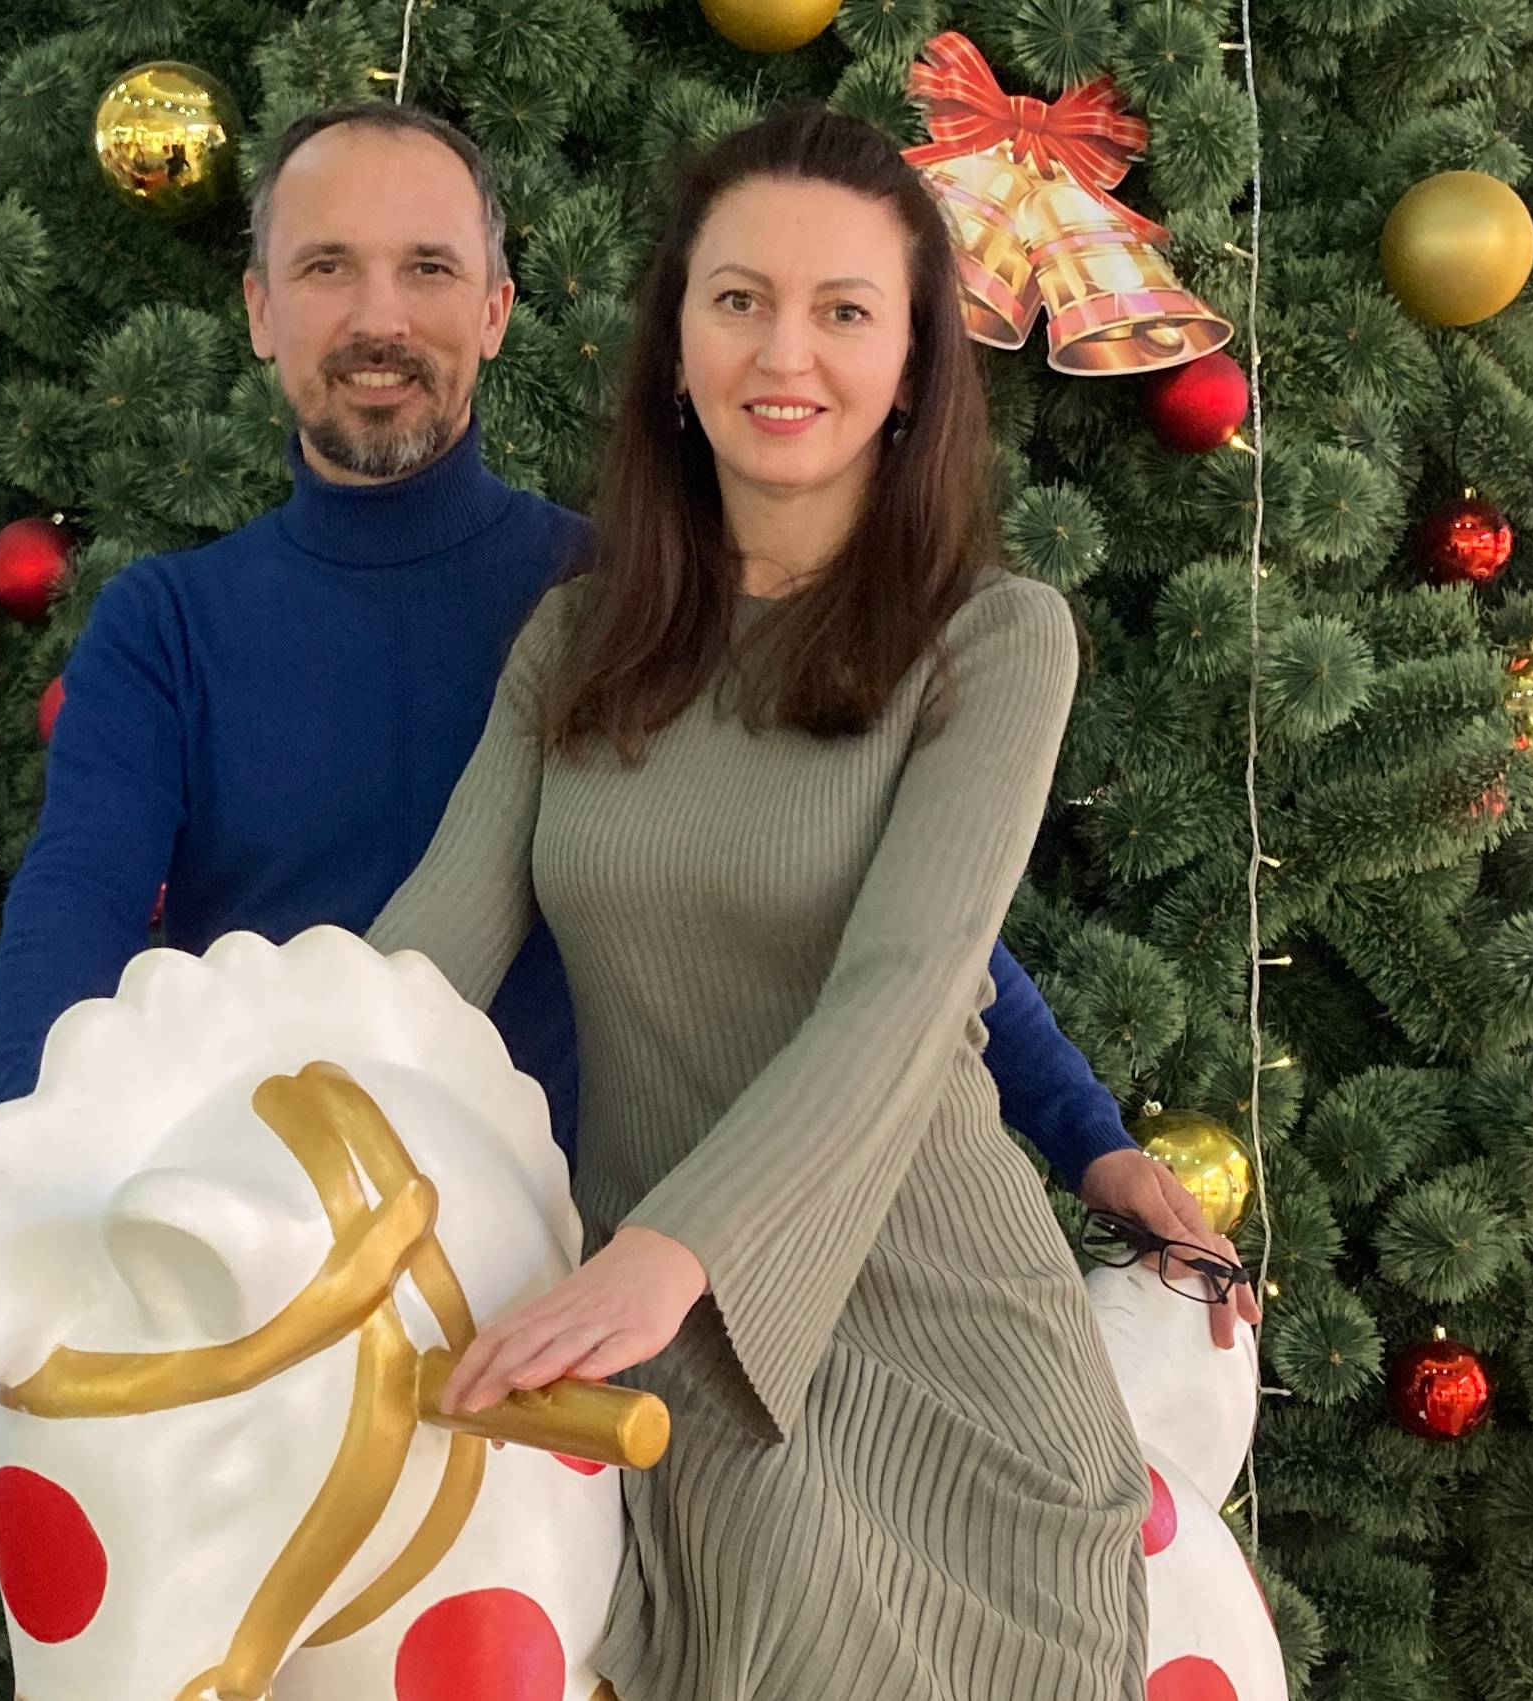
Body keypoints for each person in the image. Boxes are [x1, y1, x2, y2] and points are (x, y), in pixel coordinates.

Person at [0, 103, 1249, 1323]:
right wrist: (41, 1194)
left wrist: (1084, 1134)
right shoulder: (173, 622)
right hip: (295, 1228)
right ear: (261, 309)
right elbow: (79, 896)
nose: (379, 318)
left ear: (495, 310)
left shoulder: (631, 599)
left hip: (584, 1246)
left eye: (428, 268)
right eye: (325, 268)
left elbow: (889, 908)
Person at [369, 107, 1205, 1700]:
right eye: (740, 299)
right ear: (676, 346)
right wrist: (225, 1109)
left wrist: (671, 1248)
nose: (785, 353)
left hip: (934, 1352)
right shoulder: (572, 645)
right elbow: (418, 965)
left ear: (912, 368)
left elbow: (904, 996)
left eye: (845, 310)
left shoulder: (995, 640)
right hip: (658, 1340)